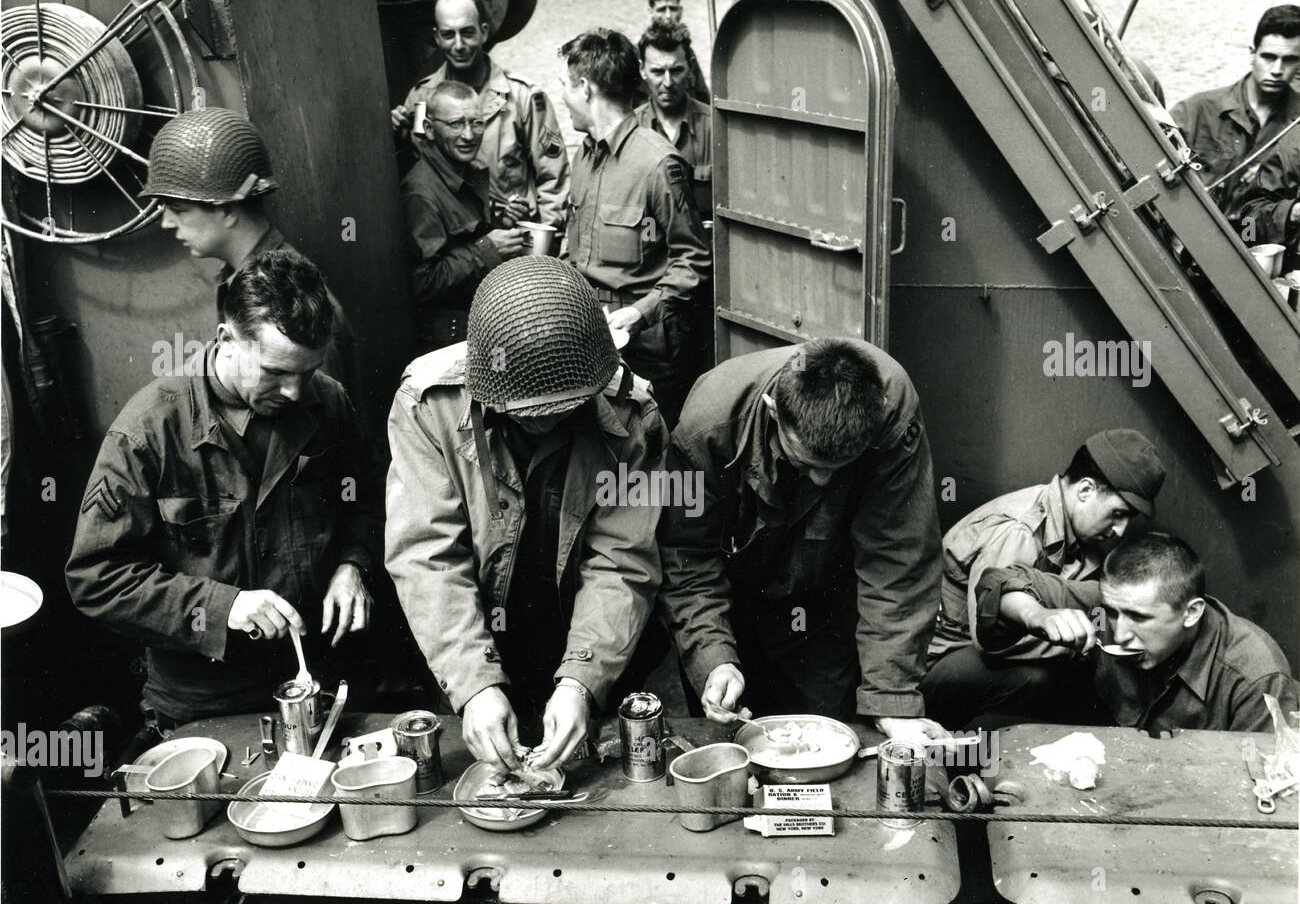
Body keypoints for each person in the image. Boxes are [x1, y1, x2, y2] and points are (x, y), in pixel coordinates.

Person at [65, 250, 383, 728]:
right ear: (226, 340)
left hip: (318, 680)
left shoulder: (329, 403)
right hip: (206, 703)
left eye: (308, 371)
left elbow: (364, 502)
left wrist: (351, 563)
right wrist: (224, 607)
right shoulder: (149, 431)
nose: (297, 392)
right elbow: (96, 579)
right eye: (276, 373)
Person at [386, 256, 669, 773]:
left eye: (567, 408)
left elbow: (621, 561)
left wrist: (583, 680)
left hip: (586, 632)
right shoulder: (430, 404)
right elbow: (428, 555)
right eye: (531, 414)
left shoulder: (633, 415)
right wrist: (472, 684)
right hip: (471, 628)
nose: (552, 423)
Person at [658, 337, 945, 744]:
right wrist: (714, 658)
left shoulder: (891, 409)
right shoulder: (706, 426)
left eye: (837, 470)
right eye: (807, 464)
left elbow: (898, 559)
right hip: (729, 604)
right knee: (728, 746)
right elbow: (687, 558)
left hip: (825, 607)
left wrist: (891, 699)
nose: (822, 481)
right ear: (774, 409)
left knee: (831, 744)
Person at [922, 429, 1166, 725]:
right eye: (1117, 513)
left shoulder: (1077, 537)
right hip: (939, 665)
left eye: (1130, 519)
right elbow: (992, 639)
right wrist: (1084, 643)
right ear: (1086, 490)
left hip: (969, 660)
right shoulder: (1020, 532)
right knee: (1040, 679)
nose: (1121, 530)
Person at [973, 534, 1298, 733]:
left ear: (1192, 613)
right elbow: (1000, 581)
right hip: (1114, 753)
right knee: (985, 731)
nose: (1121, 632)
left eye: (1140, 618)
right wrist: (1037, 615)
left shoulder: (1256, 677)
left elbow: (1268, 792)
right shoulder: (1109, 604)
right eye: (1113, 613)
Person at [142, 107, 356, 394]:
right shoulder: (249, 280)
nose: (167, 222)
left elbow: (316, 424)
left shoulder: (289, 308)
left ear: (228, 209)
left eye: (178, 210)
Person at [559, 29, 711, 428]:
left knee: (655, 461)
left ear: (586, 88)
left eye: (565, 86)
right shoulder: (584, 157)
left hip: (648, 355)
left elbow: (693, 261)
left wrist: (639, 314)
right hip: (592, 342)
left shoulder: (659, 164)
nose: (563, 97)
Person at [392, 0, 570, 233]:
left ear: (483, 32)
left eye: (467, 32)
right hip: (457, 246)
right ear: (437, 38)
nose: (459, 45)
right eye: (448, 35)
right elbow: (417, 177)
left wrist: (543, 245)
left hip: (514, 239)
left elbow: (554, 181)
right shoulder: (421, 99)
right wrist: (398, 138)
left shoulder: (522, 97)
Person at [402, 80, 526, 348]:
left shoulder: (464, 171)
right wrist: (489, 248)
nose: (469, 135)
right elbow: (424, 283)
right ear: (429, 129)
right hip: (449, 342)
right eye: (456, 124)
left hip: (479, 331)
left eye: (476, 122)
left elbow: (463, 238)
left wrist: (498, 225)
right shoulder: (421, 192)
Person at [1172, 5, 1300, 230]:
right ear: (1252, 54)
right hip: (1189, 239)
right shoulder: (1197, 110)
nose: (1277, 70)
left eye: (1289, 60)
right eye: (1268, 57)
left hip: (1260, 246)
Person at [636, 22, 713, 222]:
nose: (668, 83)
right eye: (658, 72)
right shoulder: (631, 130)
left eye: (676, 70)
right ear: (642, 70)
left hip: (705, 246)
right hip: (651, 238)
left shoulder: (716, 128)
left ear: (691, 67)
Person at [645, 0, 710, 104]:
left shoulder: (686, 52)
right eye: (662, 10)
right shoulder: (642, 54)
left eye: (673, 9)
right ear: (651, 12)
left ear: (680, 11)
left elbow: (703, 98)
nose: (668, 16)